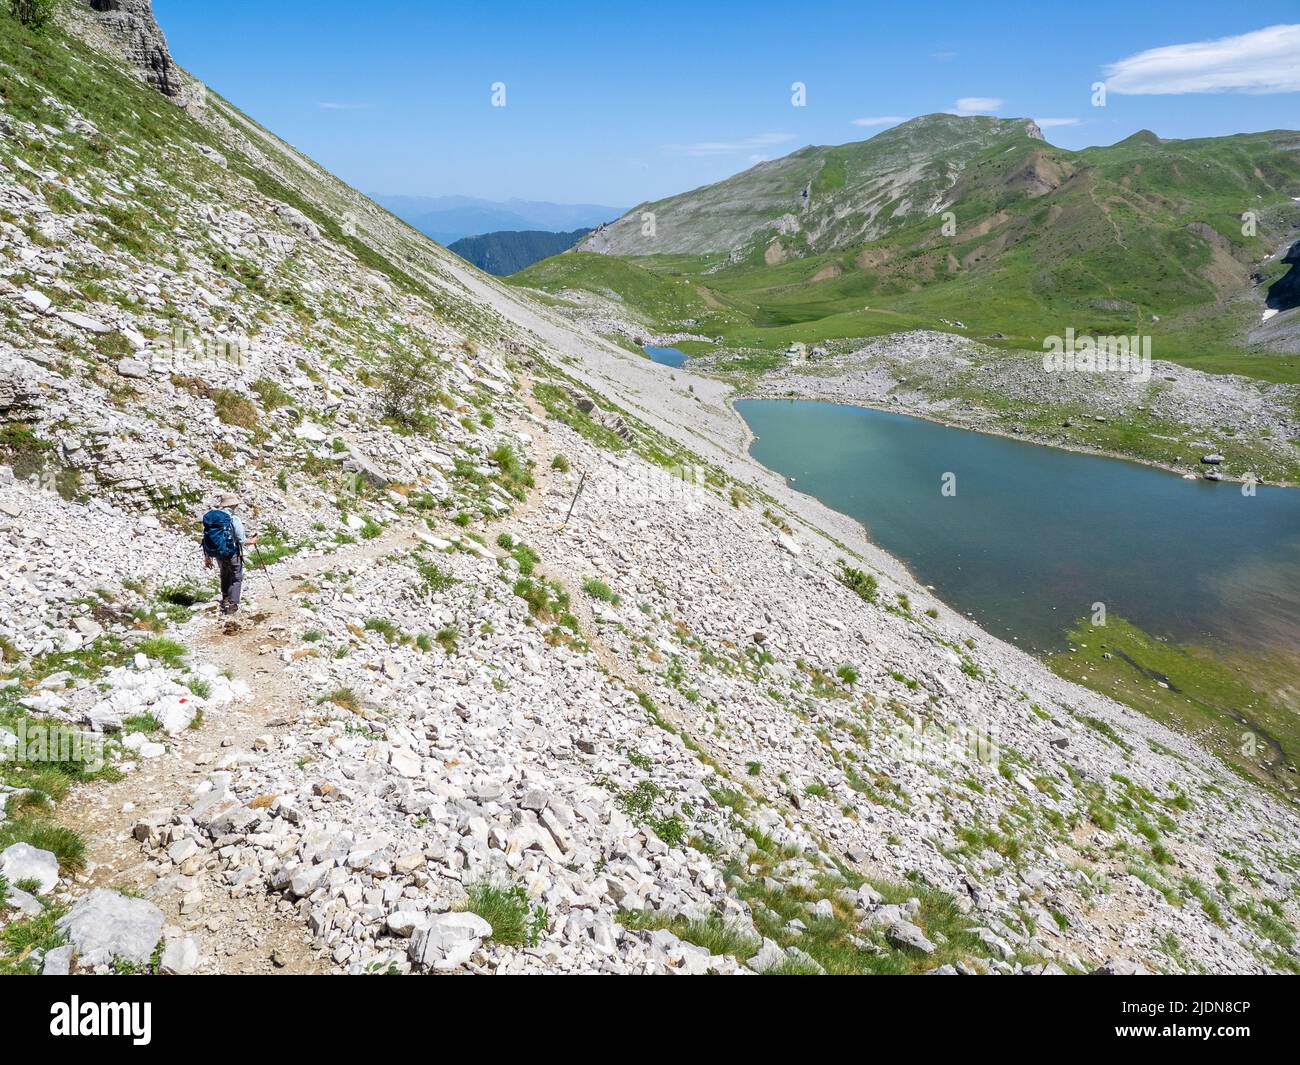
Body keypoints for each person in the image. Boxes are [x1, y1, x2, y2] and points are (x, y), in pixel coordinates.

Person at [202, 492, 257, 616]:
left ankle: (225, 598)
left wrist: (207, 556)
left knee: (224, 574)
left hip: (218, 552)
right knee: (236, 577)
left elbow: (206, 538)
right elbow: (241, 540)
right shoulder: (234, 518)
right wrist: (252, 541)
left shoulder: (213, 519)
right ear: (233, 505)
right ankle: (233, 605)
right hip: (232, 552)